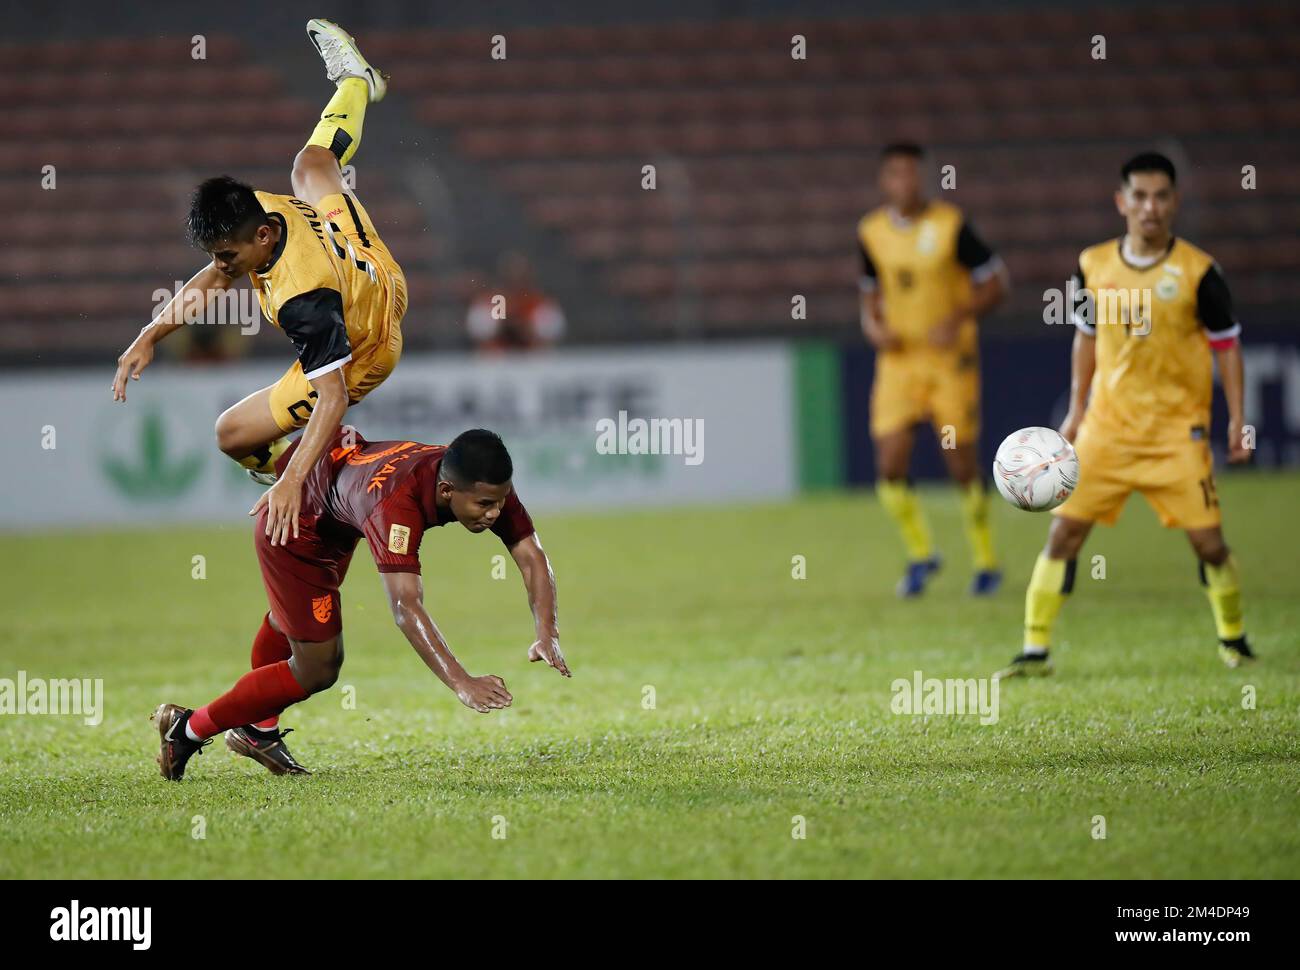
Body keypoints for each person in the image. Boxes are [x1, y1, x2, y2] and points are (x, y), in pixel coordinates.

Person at [111, 19, 406, 547]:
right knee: (312, 162)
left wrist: (290, 482)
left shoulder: (303, 300)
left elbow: (333, 396)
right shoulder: (259, 208)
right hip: (369, 261)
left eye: (227, 255)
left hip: (370, 344)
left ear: (264, 237)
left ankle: (304, 482)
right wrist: (150, 335)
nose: (222, 266)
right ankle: (356, 81)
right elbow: (216, 278)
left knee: (231, 435)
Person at [151, 427, 570, 780]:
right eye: (484, 505)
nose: (496, 512)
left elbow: (532, 555)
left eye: (501, 501)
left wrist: (546, 632)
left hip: (335, 509)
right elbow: (406, 607)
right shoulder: (398, 507)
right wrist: (462, 681)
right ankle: (187, 729)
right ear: (446, 490)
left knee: (289, 621)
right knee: (318, 666)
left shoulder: (478, 480)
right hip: (297, 526)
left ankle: (258, 732)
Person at [997, 152, 1254, 679]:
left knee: (1208, 544)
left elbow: (1227, 347)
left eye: (1161, 196)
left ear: (1174, 202)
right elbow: (1085, 339)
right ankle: (1034, 649)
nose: (1150, 207)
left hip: (1176, 434)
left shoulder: (1199, 273)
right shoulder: (1092, 265)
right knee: (1064, 536)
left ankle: (1234, 639)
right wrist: (1076, 410)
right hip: (1106, 432)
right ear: (1122, 202)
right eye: (1139, 196)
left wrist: (1237, 421)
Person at [858, 143, 1009, 597]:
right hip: (899, 362)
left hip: (949, 362)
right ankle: (922, 554)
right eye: (895, 175)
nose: (904, 182)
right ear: (884, 181)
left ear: (921, 177)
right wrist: (873, 326)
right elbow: (869, 290)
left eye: (911, 174)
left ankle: (985, 560)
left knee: (961, 462)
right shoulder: (871, 232)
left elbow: (997, 283)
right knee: (889, 460)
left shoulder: (951, 226)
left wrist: (961, 315)